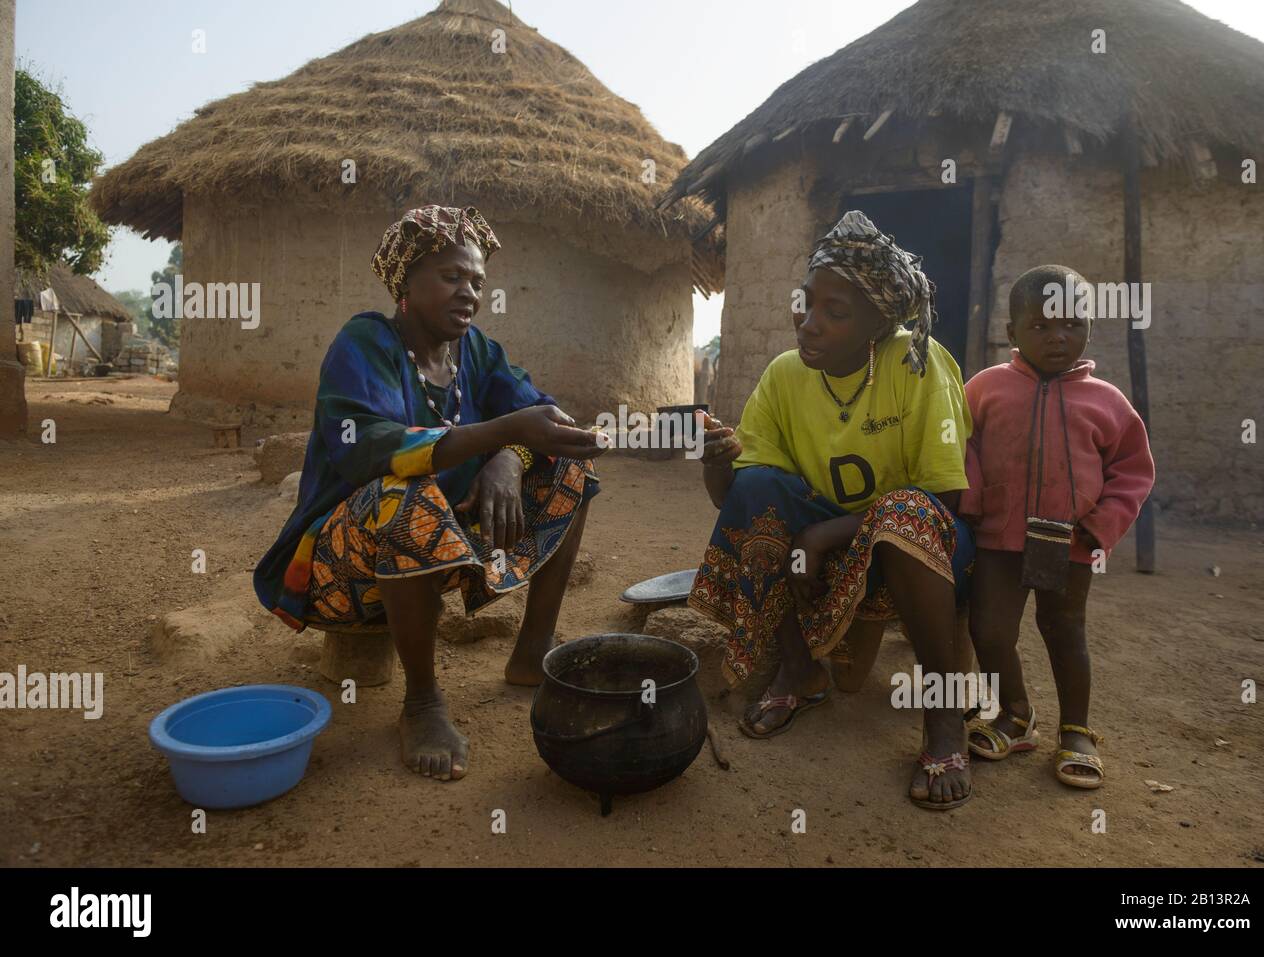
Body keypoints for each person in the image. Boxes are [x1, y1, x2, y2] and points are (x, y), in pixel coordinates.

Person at [254, 205, 604, 782]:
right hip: (343, 569)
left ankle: (532, 650)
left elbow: (542, 417)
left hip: (447, 545)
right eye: (450, 277)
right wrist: (505, 433)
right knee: (403, 498)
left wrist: (509, 462)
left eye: (476, 282)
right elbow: (367, 447)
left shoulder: (477, 353)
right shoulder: (365, 343)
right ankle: (421, 702)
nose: (468, 293)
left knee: (568, 474)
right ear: (405, 284)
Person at [689, 211, 978, 810]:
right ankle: (801, 671)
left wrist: (827, 533)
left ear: (880, 324)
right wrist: (719, 462)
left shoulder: (919, 365)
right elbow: (737, 503)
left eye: (835, 313)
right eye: (806, 303)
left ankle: (944, 718)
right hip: (825, 545)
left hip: (920, 548)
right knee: (756, 487)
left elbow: (942, 499)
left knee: (903, 514)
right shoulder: (785, 375)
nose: (809, 325)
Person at [960, 264, 1155, 789]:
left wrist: (1102, 526)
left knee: (1065, 629)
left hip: (1071, 542)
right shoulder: (984, 388)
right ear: (1012, 333)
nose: (1057, 336)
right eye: (1042, 326)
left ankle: (1076, 730)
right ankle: (1016, 715)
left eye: (1071, 324)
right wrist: (974, 501)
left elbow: (1132, 472)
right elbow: (965, 446)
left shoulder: (1109, 403)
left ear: (1089, 328)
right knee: (990, 628)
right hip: (999, 536)